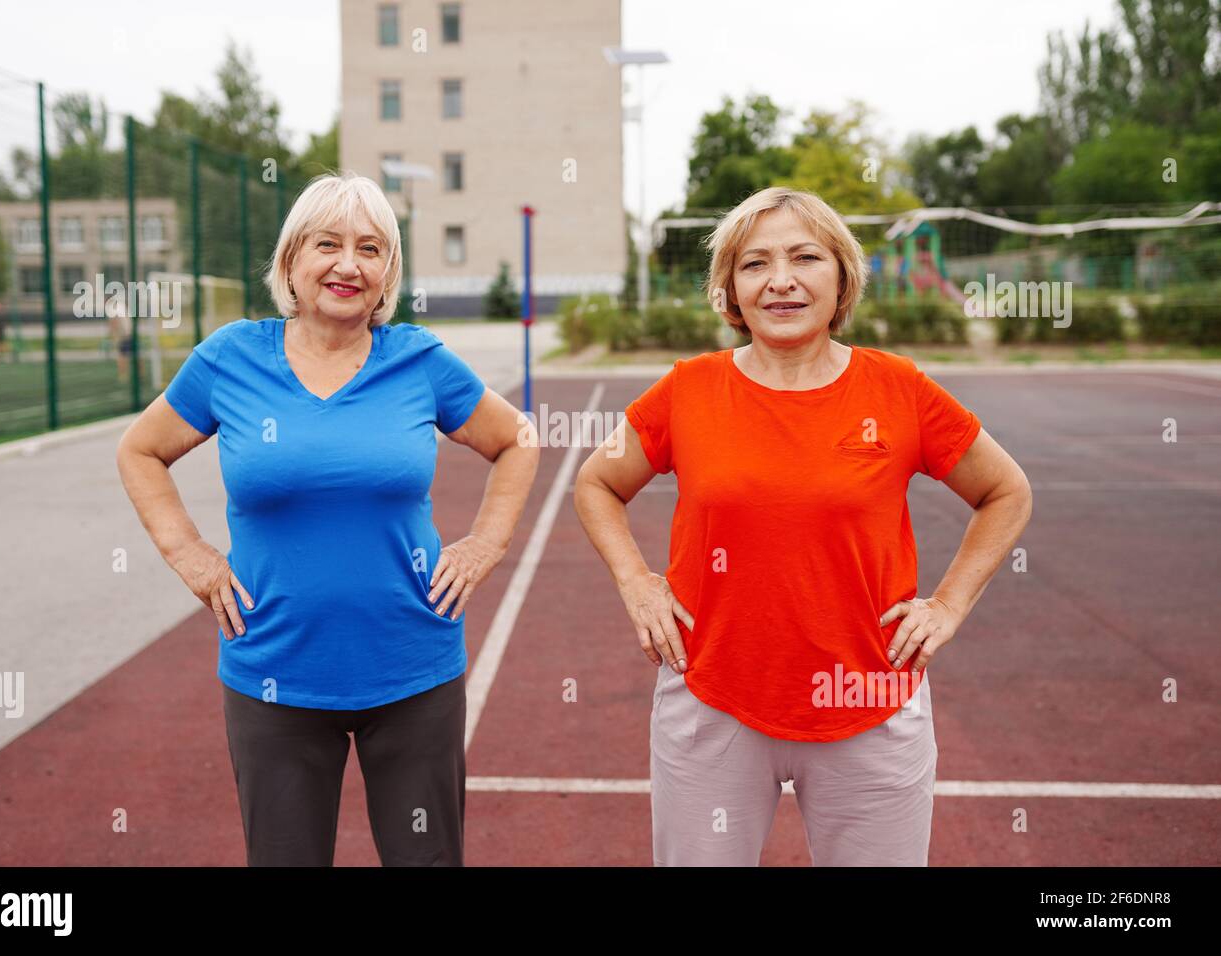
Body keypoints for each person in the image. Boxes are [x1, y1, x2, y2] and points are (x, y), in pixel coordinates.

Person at [573, 186, 1032, 866]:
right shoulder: (688, 390)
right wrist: (639, 585)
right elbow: (596, 482)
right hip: (711, 701)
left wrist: (948, 604)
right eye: (754, 264)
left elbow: (1006, 489)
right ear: (730, 287)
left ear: (841, 276)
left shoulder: (898, 389)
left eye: (805, 257)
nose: (780, 281)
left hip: (872, 702)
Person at [115, 172, 539, 866]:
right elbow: (139, 449)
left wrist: (486, 543)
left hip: (413, 670)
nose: (348, 264)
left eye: (370, 249)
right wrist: (188, 553)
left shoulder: (418, 360)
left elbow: (517, 440)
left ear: (387, 274)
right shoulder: (231, 358)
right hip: (274, 671)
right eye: (328, 244)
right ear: (290, 261)